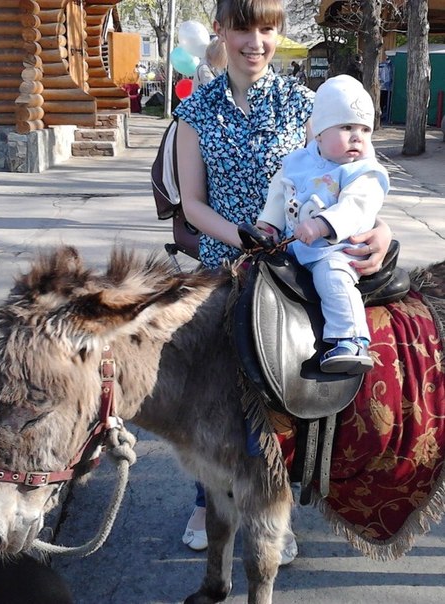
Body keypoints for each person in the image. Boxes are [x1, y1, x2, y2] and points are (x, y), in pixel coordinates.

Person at [174, 0, 391, 562]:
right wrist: (245, 237)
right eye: (243, 28)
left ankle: (274, 501)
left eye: (267, 29)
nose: (255, 41)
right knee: (213, 392)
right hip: (225, 264)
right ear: (220, 30)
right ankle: (207, 498)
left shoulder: (305, 103)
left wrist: (381, 229)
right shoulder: (194, 111)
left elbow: (357, 174)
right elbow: (192, 203)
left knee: (280, 386)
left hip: (297, 268)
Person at [257, 75, 389, 374]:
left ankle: (350, 339)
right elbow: (280, 193)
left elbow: (357, 206)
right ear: (318, 133)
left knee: (333, 277)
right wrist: (268, 225)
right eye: (346, 127)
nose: (357, 137)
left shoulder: (364, 172)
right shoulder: (296, 161)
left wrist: (322, 225)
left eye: (364, 129)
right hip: (295, 248)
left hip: (336, 249)